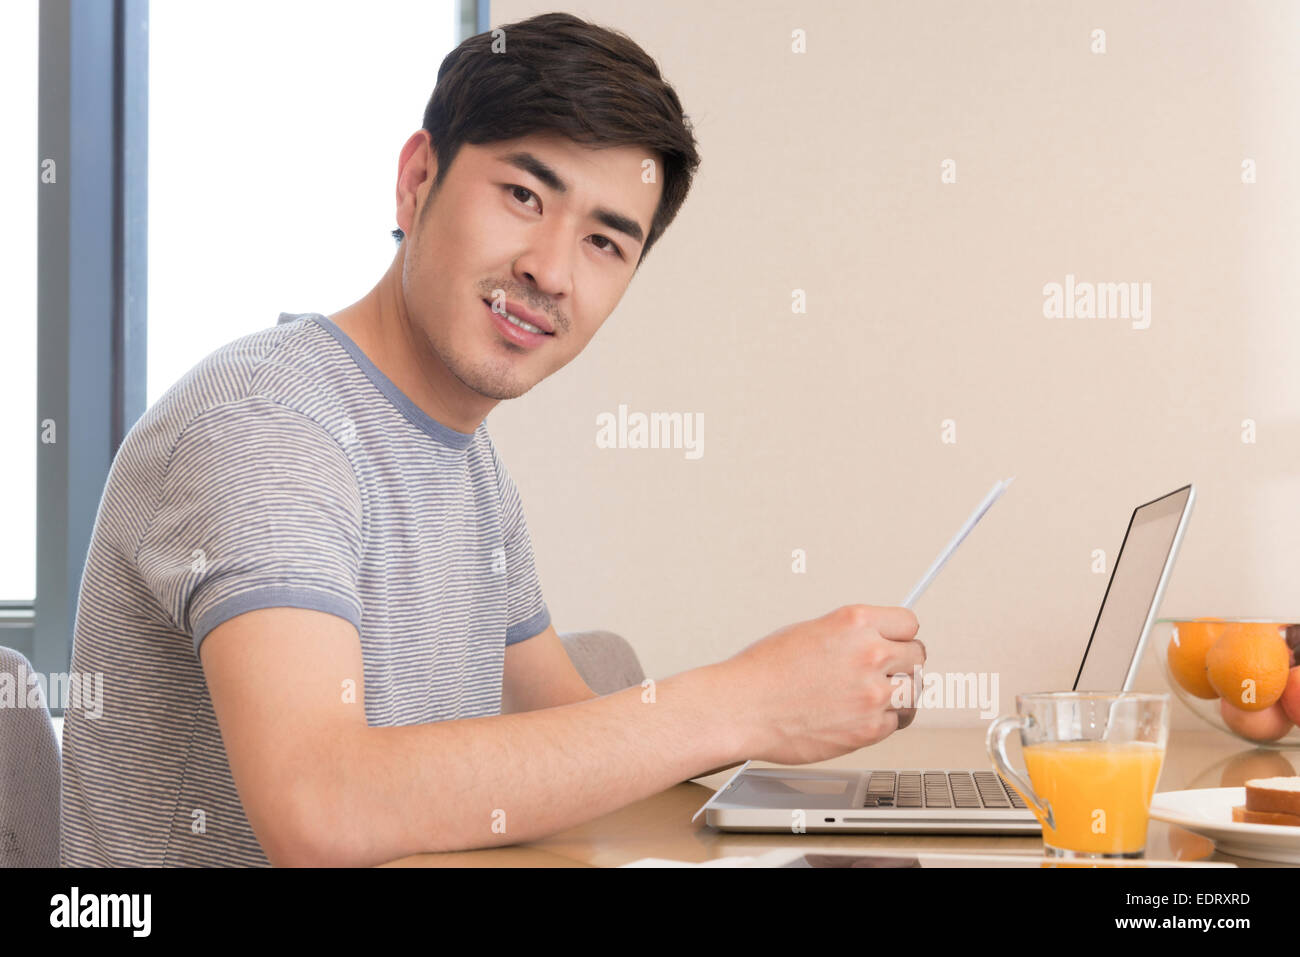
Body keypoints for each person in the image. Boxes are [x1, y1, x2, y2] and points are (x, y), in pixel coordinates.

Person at [60, 11, 923, 867]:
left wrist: (802, 702)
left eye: (603, 241)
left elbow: (563, 734)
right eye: (523, 195)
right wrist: (746, 702)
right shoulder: (266, 426)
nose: (550, 268)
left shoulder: (472, 471)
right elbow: (319, 804)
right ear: (416, 180)